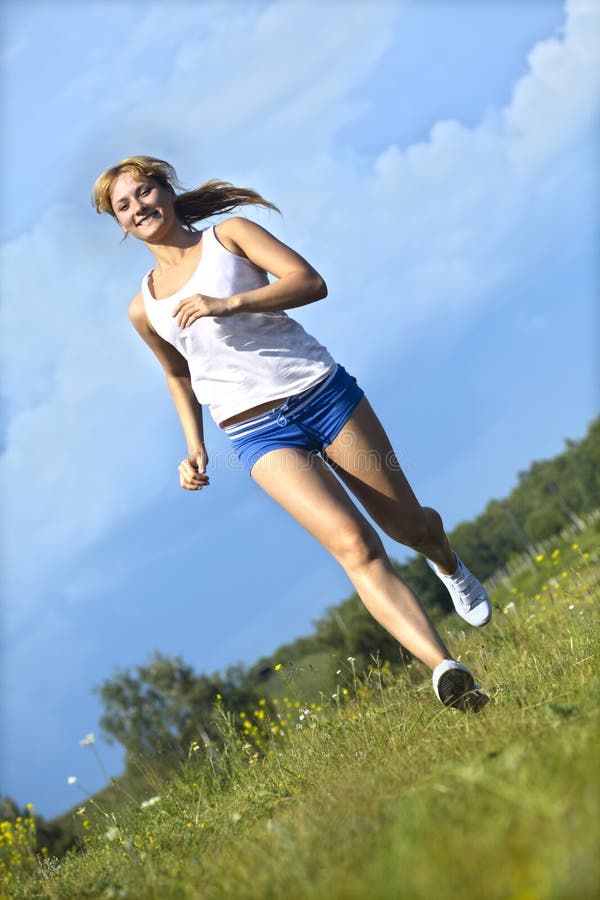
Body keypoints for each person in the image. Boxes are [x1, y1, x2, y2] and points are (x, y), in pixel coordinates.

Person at [92, 156, 492, 712]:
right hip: (254, 432)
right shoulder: (144, 308)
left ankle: (446, 561)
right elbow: (179, 375)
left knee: (408, 527)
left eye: (145, 192)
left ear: (168, 191)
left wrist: (229, 303)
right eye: (124, 205)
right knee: (354, 546)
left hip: (322, 395)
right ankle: (447, 669)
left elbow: (310, 282)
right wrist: (194, 448)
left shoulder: (229, 237)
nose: (139, 208)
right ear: (118, 224)